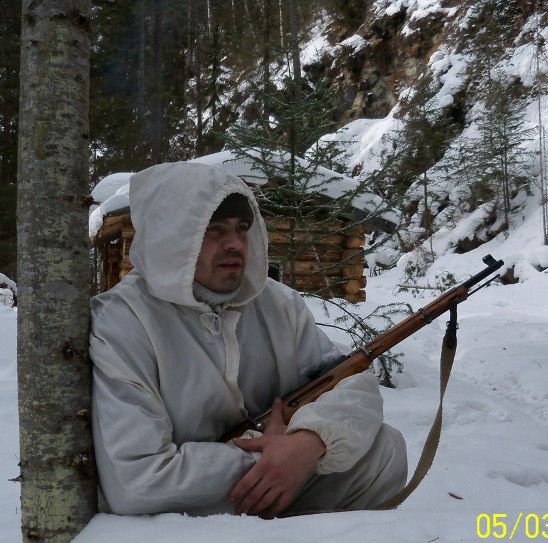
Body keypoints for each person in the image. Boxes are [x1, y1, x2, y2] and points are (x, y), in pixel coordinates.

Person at [90, 161, 407, 517]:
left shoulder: (278, 303)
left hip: (284, 475)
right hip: (188, 506)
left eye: (242, 228)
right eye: (214, 230)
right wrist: (265, 458)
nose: (235, 244)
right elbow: (134, 479)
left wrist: (309, 442)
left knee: (385, 450)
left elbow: (350, 384)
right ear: (171, 234)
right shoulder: (122, 320)